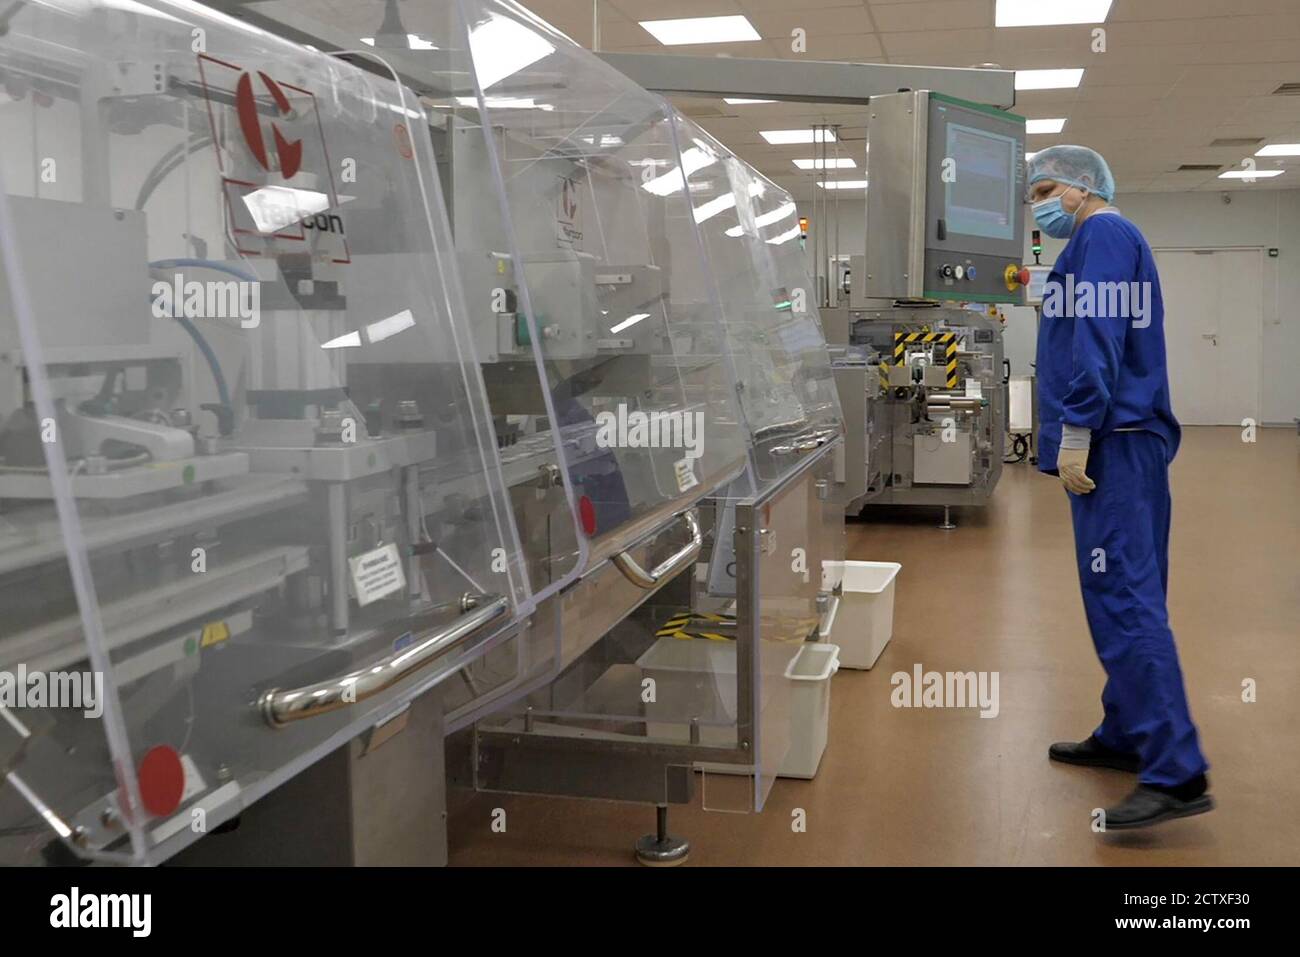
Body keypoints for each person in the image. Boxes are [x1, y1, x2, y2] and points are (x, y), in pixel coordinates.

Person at [1027, 145, 1212, 830]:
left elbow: (1096, 337)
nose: (1039, 206)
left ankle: (1176, 771)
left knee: (1125, 596)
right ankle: (1127, 731)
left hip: (1116, 442)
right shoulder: (1101, 242)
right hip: (1126, 441)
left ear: (1081, 186)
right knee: (1128, 590)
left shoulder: (1103, 234)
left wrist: (1077, 428)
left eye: (1046, 190)